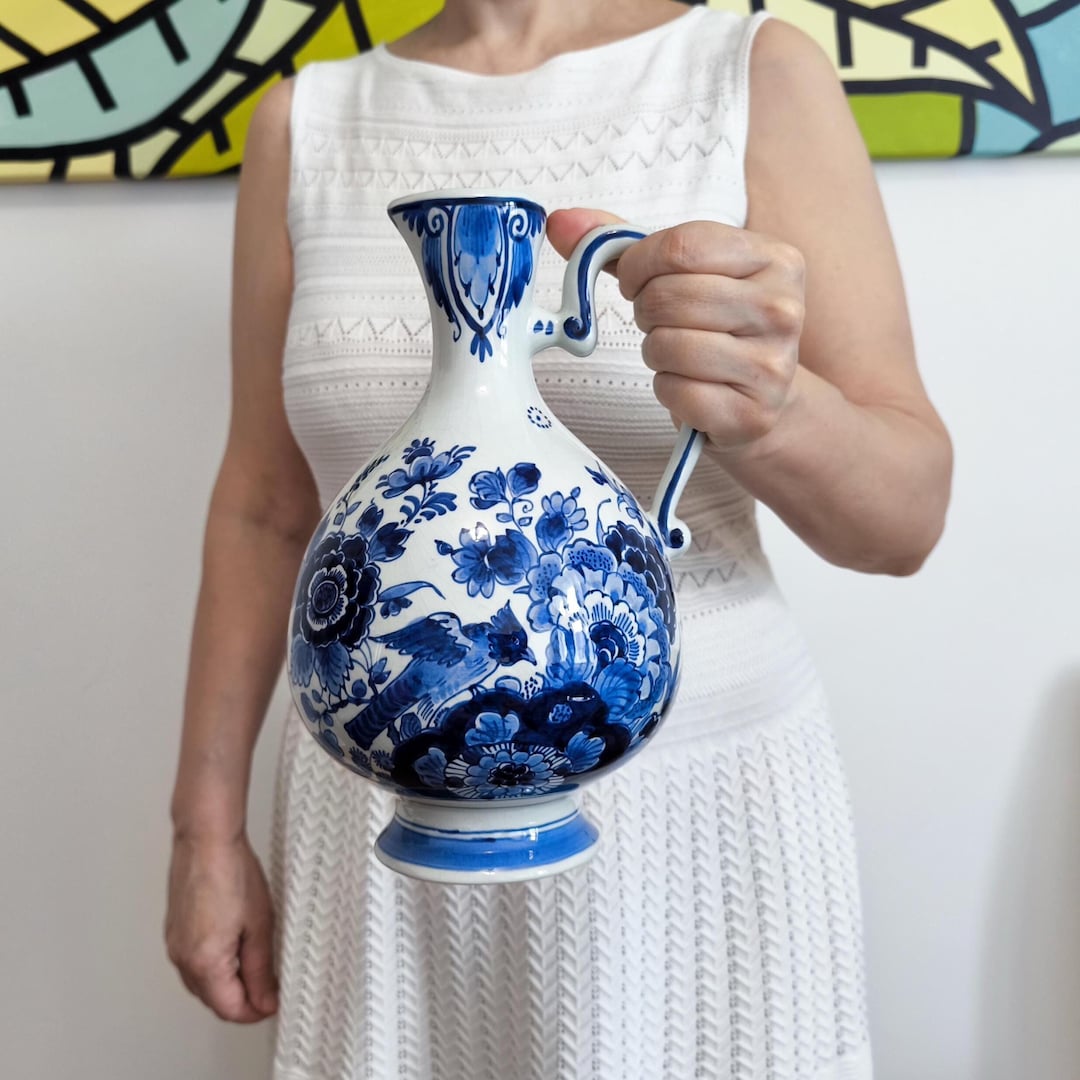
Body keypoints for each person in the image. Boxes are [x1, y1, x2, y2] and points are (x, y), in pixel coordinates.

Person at [165, 1, 952, 1076]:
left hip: (699, 819)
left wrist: (770, 408)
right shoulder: (306, 120)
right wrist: (203, 832)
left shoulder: (753, 71)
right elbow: (264, 506)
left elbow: (903, 523)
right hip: (375, 824)